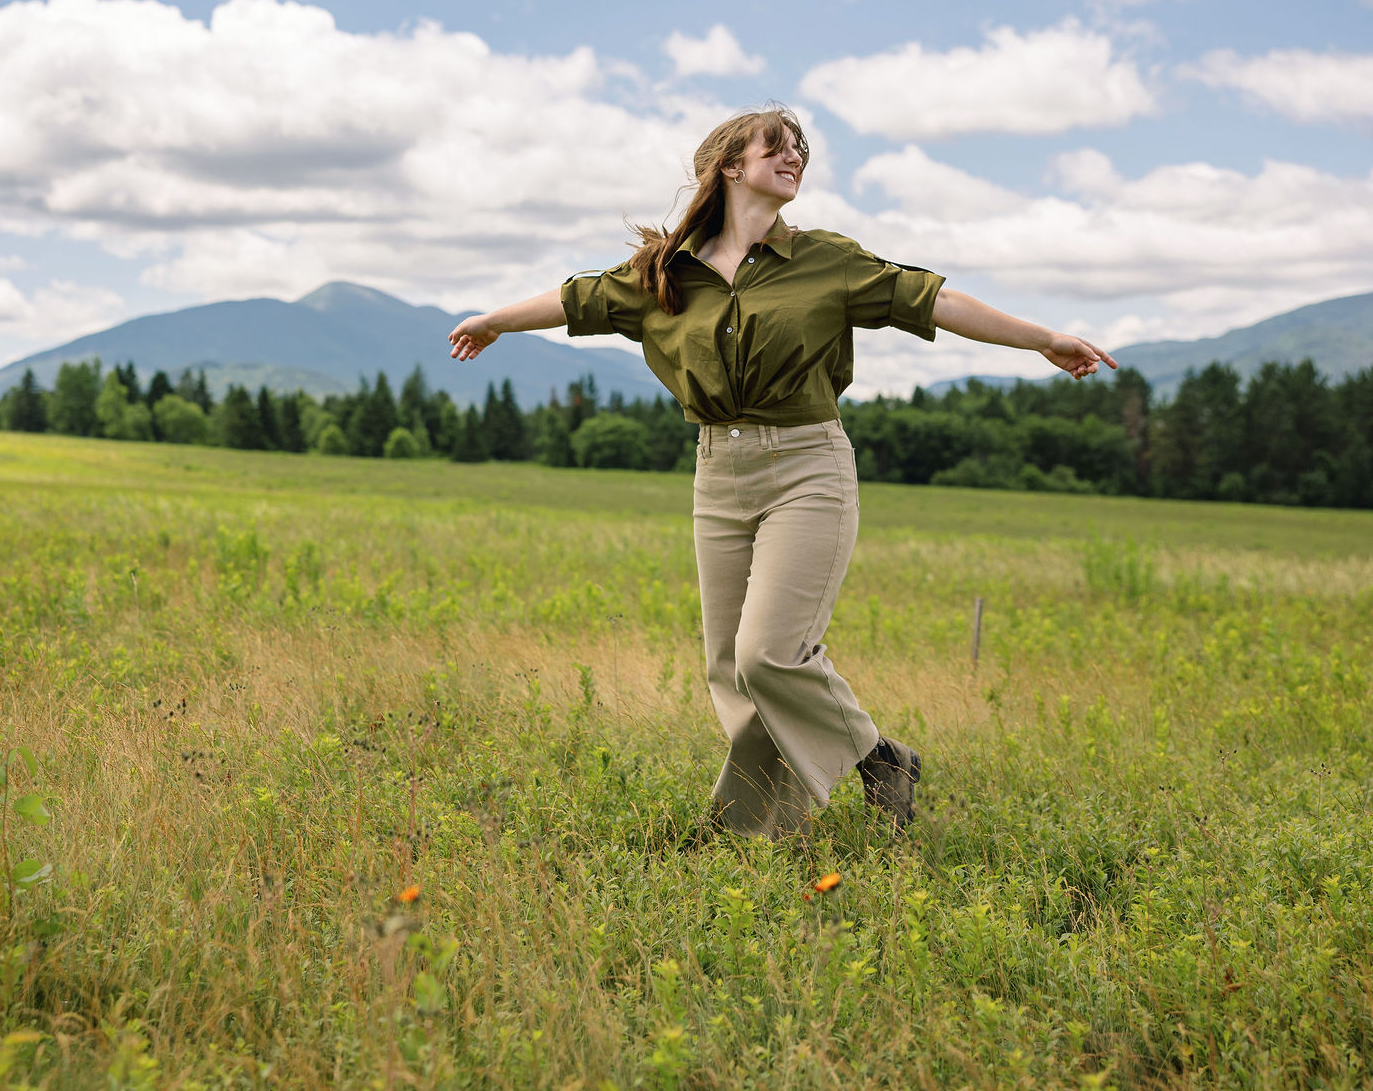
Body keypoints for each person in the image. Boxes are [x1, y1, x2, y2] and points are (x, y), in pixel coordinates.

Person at [446, 106, 1115, 841]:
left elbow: (937, 300)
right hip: (717, 471)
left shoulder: (828, 260)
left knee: (769, 654)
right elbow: (574, 300)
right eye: (778, 146)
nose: (794, 156)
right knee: (731, 668)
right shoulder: (664, 272)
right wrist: (494, 321)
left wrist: (1043, 338)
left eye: (801, 149)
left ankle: (881, 760)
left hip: (807, 466)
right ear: (730, 165)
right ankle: (755, 836)